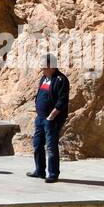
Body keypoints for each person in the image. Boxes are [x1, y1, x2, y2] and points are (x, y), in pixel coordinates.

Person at [28, 53, 70, 184]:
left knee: (51, 147)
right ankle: (39, 171)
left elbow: (62, 101)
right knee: (37, 145)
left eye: (43, 66)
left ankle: (53, 174)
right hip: (40, 118)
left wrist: (51, 117)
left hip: (51, 120)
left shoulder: (61, 80)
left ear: (51, 66)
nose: (41, 69)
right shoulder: (44, 78)